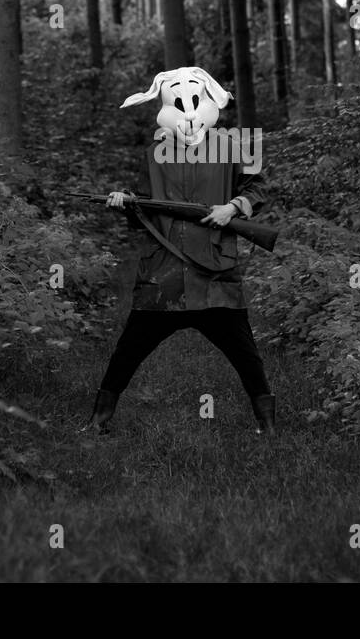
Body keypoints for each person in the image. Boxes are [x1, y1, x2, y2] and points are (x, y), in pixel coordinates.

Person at [81, 67, 275, 434]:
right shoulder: (154, 153)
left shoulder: (234, 145)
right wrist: (127, 203)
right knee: (128, 351)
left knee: (246, 356)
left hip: (215, 273)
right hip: (164, 275)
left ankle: (268, 425)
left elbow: (259, 188)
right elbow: (145, 215)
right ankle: (97, 421)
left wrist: (231, 208)